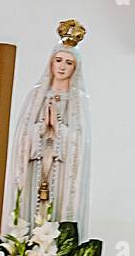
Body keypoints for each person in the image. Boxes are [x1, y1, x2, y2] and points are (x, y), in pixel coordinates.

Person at [10, 20, 91, 230]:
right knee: (30, 211)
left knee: (56, 209)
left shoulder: (78, 101)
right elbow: (22, 138)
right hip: (36, 165)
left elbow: (79, 143)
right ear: (51, 63)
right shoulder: (36, 96)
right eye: (58, 60)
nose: (62, 66)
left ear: (76, 67)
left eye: (68, 62)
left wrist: (58, 128)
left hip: (61, 173)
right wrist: (40, 128)